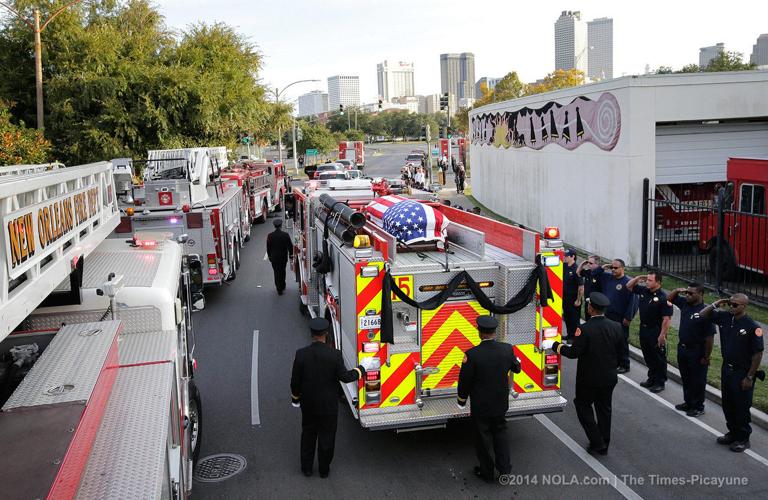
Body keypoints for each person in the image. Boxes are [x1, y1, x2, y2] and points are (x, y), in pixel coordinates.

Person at [291, 318, 374, 476]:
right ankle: (323, 470)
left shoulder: (300, 354)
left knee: (308, 436)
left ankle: (307, 469)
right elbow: (346, 377)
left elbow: (295, 381)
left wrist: (296, 399)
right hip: (328, 407)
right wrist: (362, 368)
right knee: (327, 438)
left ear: (311, 334)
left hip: (308, 405)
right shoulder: (334, 355)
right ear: (326, 334)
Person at [543, 292, 623, 455]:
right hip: (609, 377)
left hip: (589, 379)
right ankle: (604, 444)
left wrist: (555, 345)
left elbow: (574, 353)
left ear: (591, 308)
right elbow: (621, 353)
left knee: (583, 405)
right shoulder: (616, 326)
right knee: (604, 409)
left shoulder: (584, 329)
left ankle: (596, 441)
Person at [457, 315, 522, 483]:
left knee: (483, 438)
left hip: (481, 406)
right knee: (501, 433)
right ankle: (505, 469)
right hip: (500, 403)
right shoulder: (507, 349)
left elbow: (465, 381)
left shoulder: (472, 355)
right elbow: (517, 368)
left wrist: (461, 401)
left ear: (479, 332)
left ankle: (487, 472)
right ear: (495, 331)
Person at [701, 294, 764, 452]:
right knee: (728, 403)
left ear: (744, 307)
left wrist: (749, 376)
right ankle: (732, 433)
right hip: (727, 369)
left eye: (736, 305)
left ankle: (743, 438)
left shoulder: (752, 326)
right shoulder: (725, 317)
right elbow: (703, 314)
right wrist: (717, 303)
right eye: (730, 304)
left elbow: (758, 354)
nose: (732, 307)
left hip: (742, 372)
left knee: (741, 406)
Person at [667, 283, 716, 416]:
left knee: (698, 380)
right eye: (686, 293)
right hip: (683, 348)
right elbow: (669, 299)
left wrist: (706, 357)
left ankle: (698, 406)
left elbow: (709, 338)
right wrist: (677, 289)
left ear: (700, 294)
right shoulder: (685, 304)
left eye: (691, 293)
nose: (687, 295)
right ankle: (688, 402)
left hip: (697, 351)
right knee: (686, 377)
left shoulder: (706, 312)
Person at [626, 271, 673, 392]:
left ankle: (660, 382)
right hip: (644, 328)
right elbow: (629, 286)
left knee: (658, 357)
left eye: (650, 280)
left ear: (658, 282)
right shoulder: (644, 291)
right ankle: (651, 378)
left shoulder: (663, 298)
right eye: (647, 279)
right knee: (648, 355)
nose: (647, 282)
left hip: (655, 330)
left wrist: (662, 335)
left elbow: (666, 319)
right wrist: (637, 277)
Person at [592, 259, 637, 373]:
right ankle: (613, 362)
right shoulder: (607, 278)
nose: (613, 269)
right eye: (612, 267)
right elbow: (594, 274)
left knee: (621, 341)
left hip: (620, 317)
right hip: (607, 315)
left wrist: (628, 317)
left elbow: (634, 302)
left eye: (615, 268)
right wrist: (603, 267)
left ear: (623, 268)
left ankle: (624, 364)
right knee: (608, 340)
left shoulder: (628, 282)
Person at [266, 218, 293, 295]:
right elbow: (290, 246)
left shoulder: (270, 236)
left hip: (274, 258)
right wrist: (291, 255)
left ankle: (278, 288)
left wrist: (269, 257)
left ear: (274, 226)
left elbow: (268, 247)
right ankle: (282, 285)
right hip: (283, 258)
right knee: (282, 271)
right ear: (281, 226)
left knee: (276, 272)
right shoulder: (285, 235)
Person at [562, 250, 583, 343]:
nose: (565, 257)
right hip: (565, 298)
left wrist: (578, 300)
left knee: (574, 319)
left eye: (567, 256)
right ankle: (569, 335)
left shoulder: (577, 269)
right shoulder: (565, 266)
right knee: (567, 317)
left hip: (574, 299)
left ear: (573, 256)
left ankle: (575, 338)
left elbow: (581, 287)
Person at [577, 256, 601, 321]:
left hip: (596, 304)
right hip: (587, 302)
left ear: (597, 264)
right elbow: (578, 272)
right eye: (588, 262)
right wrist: (582, 263)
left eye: (591, 263)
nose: (588, 264)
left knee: (595, 322)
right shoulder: (588, 272)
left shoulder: (601, 274)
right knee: (588, 320)